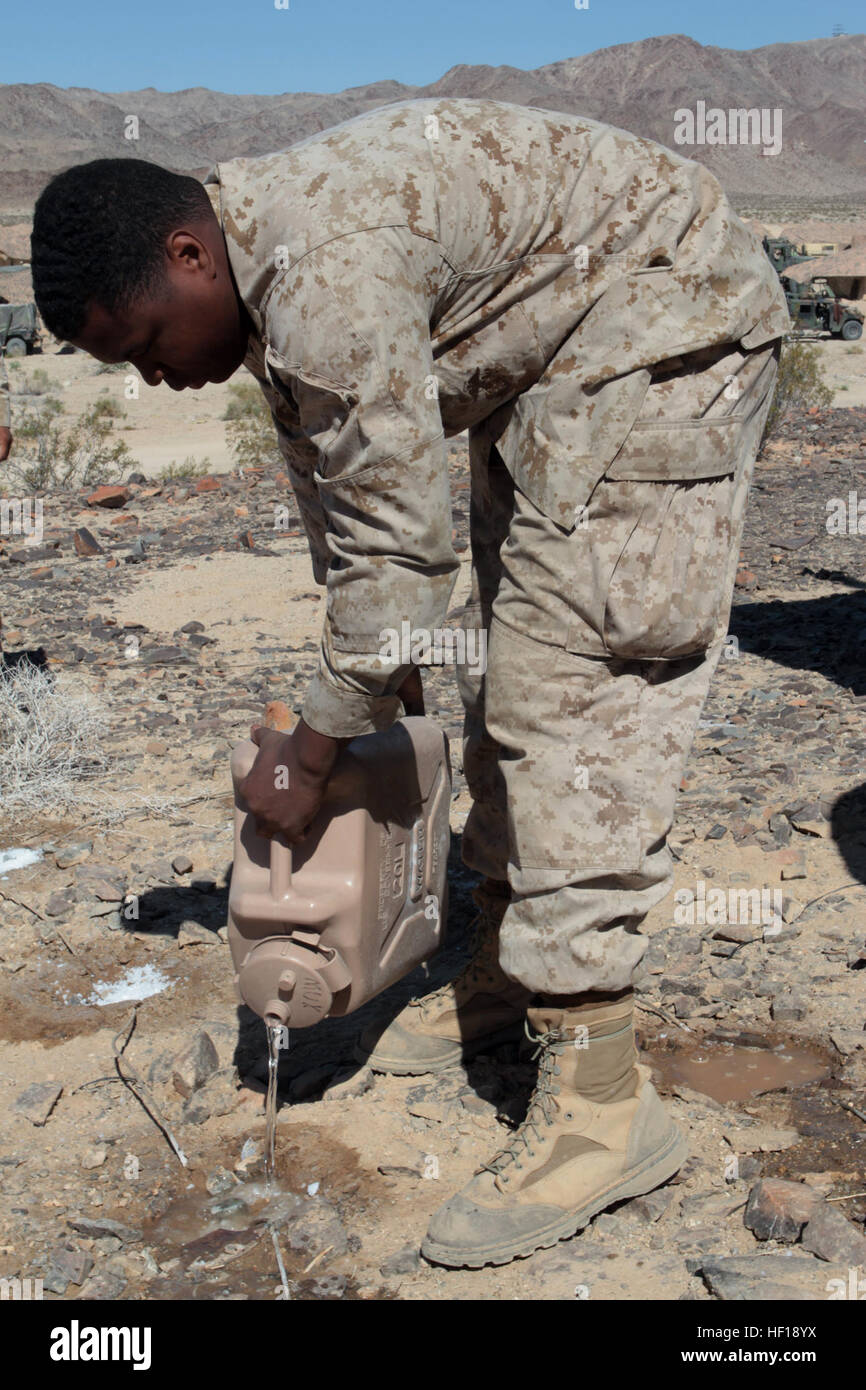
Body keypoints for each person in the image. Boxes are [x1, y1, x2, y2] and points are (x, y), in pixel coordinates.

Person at [30, 97, 790, 1269]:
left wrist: (317, 749)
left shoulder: (323, 278)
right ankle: (501, 983)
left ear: (190, 254)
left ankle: (601, 1104)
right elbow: (361, 541)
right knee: (493, 679)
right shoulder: (263, 289)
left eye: (142, 344)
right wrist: (388, 705)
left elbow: (393, 564)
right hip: (563, 356)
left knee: (569, 689)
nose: (154, 380)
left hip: (666, 327)